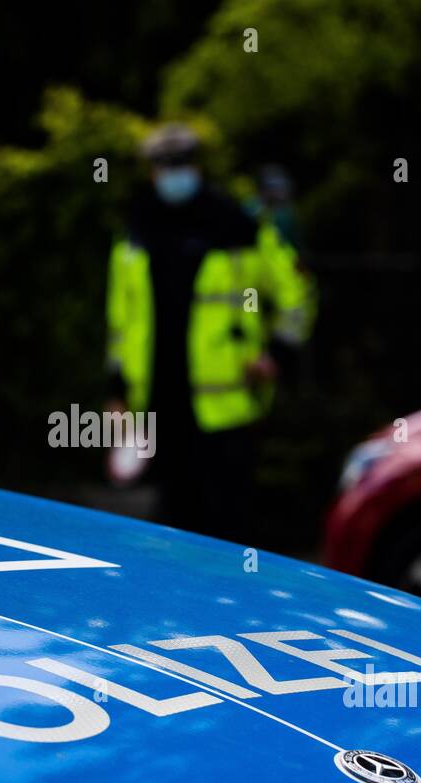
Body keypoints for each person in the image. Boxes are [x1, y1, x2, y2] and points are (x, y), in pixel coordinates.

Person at [105, 124, 314, 542]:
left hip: (226, 409)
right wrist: (117, 392)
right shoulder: (137, 233)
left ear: (196, 167)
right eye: (164, 166)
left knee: (226, 530)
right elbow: (120, 322)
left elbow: (298, 293)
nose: (173, 174)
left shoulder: (235, 226)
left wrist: (277, 354)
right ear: (152, 172)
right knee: (171, 531)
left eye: (180, 164)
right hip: (160, 407)